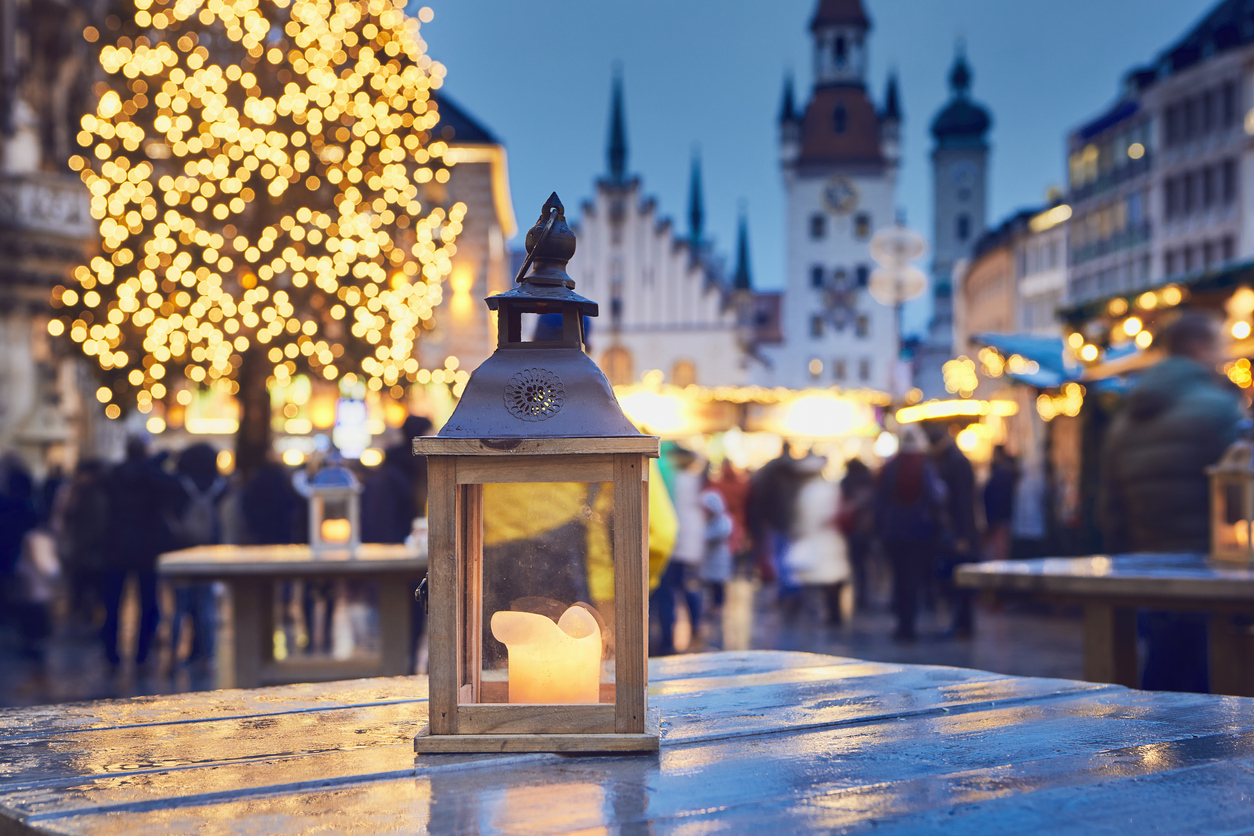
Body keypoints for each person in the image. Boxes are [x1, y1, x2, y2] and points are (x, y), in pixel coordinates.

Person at [1100, 309, 1245, 692]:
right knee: (1214, 686)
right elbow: (1241, 495)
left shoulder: (1127, 418)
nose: (1224, 354)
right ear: (1200, 347)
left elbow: (1110, 508)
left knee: (1164, 677)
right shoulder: (1218, 408)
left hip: (1148, 570)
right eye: (1220, 345)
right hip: (1212, 574)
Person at [102, 436, 178, 671]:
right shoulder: (152, 476)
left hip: (116, 545)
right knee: (147, 603)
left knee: (113, 603)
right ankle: (141, 655)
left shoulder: (114, 475)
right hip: (147, 546)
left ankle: (112, 655)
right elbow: (170, 486)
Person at [874, 428, 946, 641]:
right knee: (913, 579)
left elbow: (880, 501)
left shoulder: (890, 467)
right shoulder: (925, 466)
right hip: (919, 530)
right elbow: (936, 496)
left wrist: (880, 528)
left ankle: (902, 625)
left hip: (894, 530)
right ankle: (910, 625)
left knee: (898, 577)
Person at [169, 443, 227, 669]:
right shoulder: (220, 486)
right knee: (205, 605)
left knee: (178, 606)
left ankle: (173, 655)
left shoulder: (178, 484)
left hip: (180, 550)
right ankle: (207, 656)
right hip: (208, 553)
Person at [924, 421, 980, 638]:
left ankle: (963, 624)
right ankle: (961, 623)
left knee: (960, 581)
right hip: (958, 531)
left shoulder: (955, 463)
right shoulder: (952, 461)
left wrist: (963, 535)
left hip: (960, 532)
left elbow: (964, 502)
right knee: (956, 580)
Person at [652, 446, 705, 654]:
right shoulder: (694, 480)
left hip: (674, 544)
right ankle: (694, 629)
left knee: (667, 593)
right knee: (685, 588)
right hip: (687, 545)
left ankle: (667, 641)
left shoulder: (670, 475)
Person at [785, 455, 850, 625]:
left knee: (813, 582)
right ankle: (834, 614)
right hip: (830, 540)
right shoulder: (830, 489)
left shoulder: (805, 493)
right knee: (832, 581)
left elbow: (799, 520)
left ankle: (815, 613)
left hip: (813, 541)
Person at [837, 458, 876, 610]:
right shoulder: (870, 480)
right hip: (869, 528)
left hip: (853, 528)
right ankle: (866, 594)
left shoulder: (847, 482)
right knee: (867, 563)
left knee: (856, 563)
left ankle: (861, 595)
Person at [698, 475, 735, 638]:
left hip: (719, 558)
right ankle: (711, 606)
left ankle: (718, 607)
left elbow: (720, 533)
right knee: (709, 583)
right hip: (709, 559)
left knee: (718, 584)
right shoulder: (706, 520)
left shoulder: (723, 521)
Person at [983, 446, 1019, 563]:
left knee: (999, 553)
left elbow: (997, 498)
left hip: (998, 519)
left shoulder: (1001, 473)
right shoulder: (1004, 472)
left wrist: (991, 520)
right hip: (1001, 519)